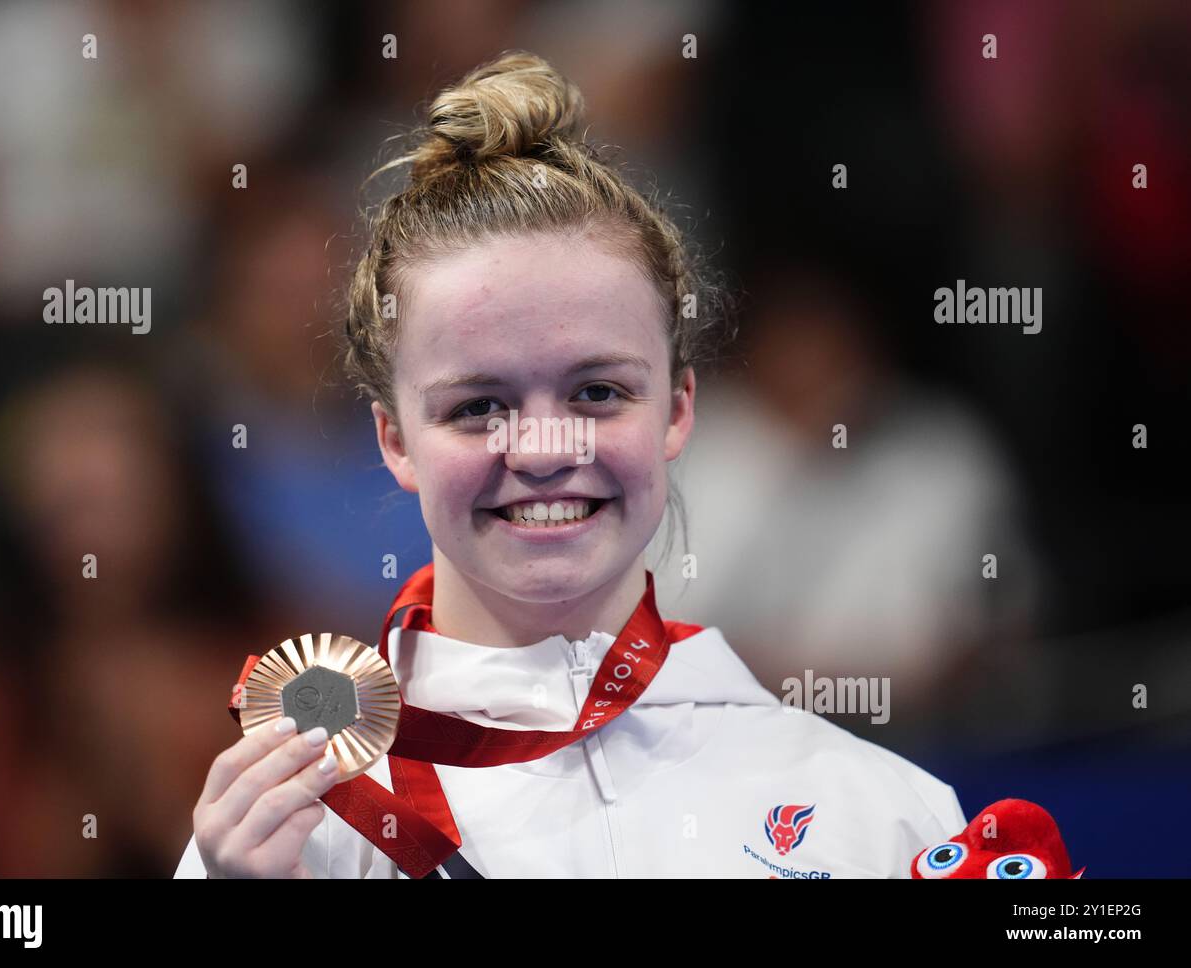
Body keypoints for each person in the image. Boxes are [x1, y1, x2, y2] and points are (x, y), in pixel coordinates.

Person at [175, 50, 965, 879]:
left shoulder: (881, 815)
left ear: (678, 408)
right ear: (395, 440)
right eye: (478, 406)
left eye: (596, 391)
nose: (546, 451)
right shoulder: (302, 828)